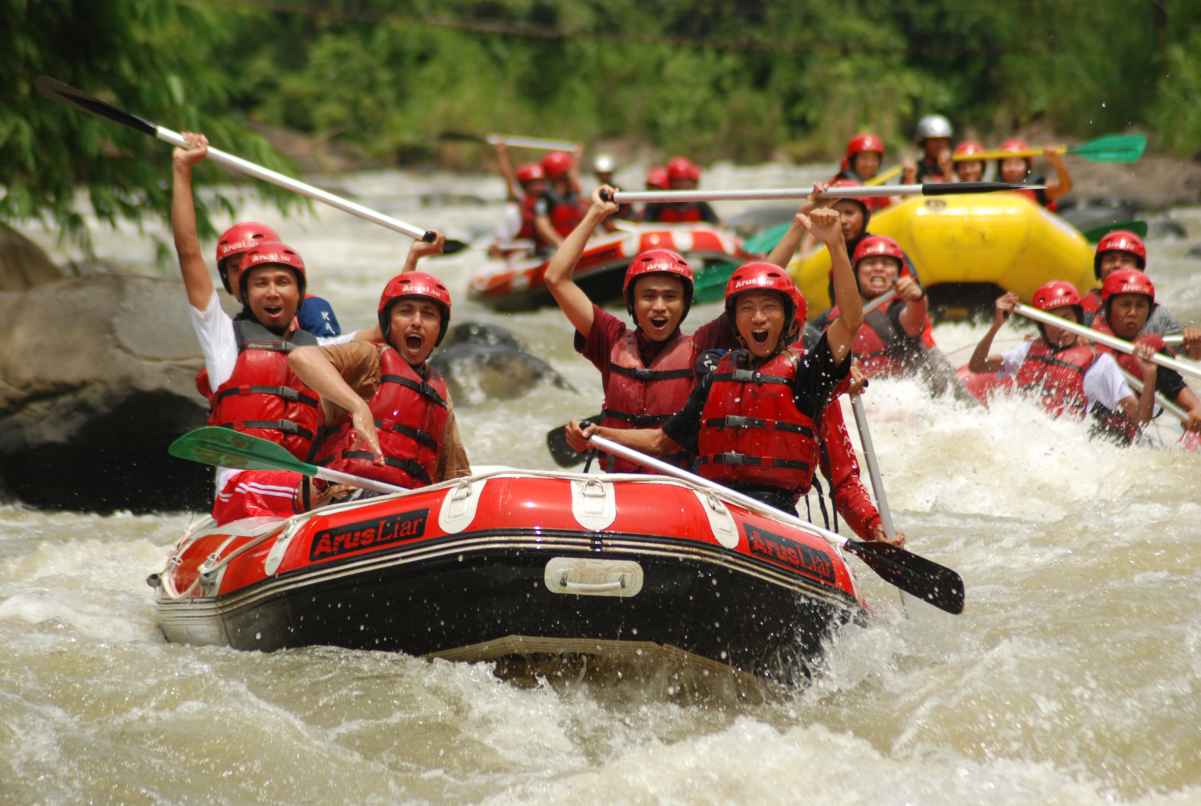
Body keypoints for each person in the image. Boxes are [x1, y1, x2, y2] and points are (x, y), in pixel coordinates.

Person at [566, 206, 863, 520]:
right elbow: (662, 441)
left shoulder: (808, 373)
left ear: (788, 321)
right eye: (748, 309)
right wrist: (600, 434)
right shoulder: (714, 375)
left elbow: (850, 320)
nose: (758, 317)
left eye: (768, 309)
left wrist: (835, 245)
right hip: (711, 507)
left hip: (773, 516)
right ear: (735, 323)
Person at [171, 132, 364, 524]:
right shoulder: (222, 338)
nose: (272, 293)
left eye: (282, 283)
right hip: (243, 486)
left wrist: (413, 264)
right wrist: (182, 170)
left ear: (299, 293)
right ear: (242, 291)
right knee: (330, 489)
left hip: (299, 482)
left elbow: (384, 335)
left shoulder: (318, 347)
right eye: (260, 283)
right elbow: (188, 250)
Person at [544, 187, 698, 473]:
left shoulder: (702, 348)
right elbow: (556, 278)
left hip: (677, 489)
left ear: (686, 304)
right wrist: (595, 214)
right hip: (617, 485)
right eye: (648, 296)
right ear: (632, 303)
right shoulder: (610, 338)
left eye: (670, 297)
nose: (659, 306)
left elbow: (753, 294)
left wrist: (804, 223)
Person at [288, 259, 471, 495]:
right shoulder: (369, 357)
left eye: (428, 315)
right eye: (405, 311)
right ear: (388, 323)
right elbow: (301, 357)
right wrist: (357, 407)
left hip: (406, 505)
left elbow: (456, 473)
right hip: (343, 495)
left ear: (439, 330)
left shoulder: (440, 393)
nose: (416, 321)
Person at [968, 281, 1157, 442]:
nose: (1062, 327)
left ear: (1077, 319)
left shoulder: (1101, 364)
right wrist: (996, 325)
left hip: (1070, 444)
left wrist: (1150, 376)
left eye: (1067, 318)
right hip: (1025, 437)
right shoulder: (1027, 350)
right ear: (1042, 325)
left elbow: (1141, 419)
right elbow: (977, 366)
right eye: (1053, 320)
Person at [1090, 269, 1201, 433]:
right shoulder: (1083, 331)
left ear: (1149, 312)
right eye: (1125, 304)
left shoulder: (1150, 352)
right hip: (1077, 422)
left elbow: (1179, 392)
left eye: (1140, 306)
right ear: (1108, 308)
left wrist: (1196, 410)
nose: (1133, 312)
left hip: (1122, 431)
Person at [213, 220, 342, 338]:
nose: (243, 273)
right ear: (226, 278)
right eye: (235, 268)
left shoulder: (312, 308)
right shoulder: (233, 321)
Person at [1080, 231, 1198, 354]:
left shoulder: (1158, 315)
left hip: (1142, 369)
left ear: (1138, 269)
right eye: (1110, 260)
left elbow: (1188, 355)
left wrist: (1194, 344)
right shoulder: (1081, 309)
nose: (1117, 265)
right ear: (1099, 267)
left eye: (1125, 260)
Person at [489, 142, 548, 256]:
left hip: (539, 253)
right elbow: (508, 178)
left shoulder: (545, 203)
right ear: (525, 185)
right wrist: (502, 153)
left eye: (541, 182)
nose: (540, 187)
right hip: (518, 257)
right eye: (535, 184)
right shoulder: (514, 210)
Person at [995, 138, 1072, 209]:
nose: (1012, 168)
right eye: (1007, 164)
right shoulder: (992, 190)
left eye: (1018, 163)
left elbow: (1065, 187)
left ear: (1027, 166)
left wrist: (1057, 163)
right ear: (1000, 167)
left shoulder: (1038, 188)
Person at [642, 156, 720, 224]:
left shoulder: (699, 204)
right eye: (676, 181)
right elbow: (644, 225)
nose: (681, 185)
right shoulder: (659, 203)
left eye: (685, 181)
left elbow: (716, 224)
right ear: (670, 181)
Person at [833, 133, 890, 211]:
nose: (869, 164)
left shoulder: (879, 185)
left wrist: (908, 178)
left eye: (874, 159)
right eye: (864, 158)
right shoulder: (839, 185)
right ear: (853, 161)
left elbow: (895, 205)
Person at [902, 115, 954, 183]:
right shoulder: (915, 169)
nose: (940, 145)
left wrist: (947, 172)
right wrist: (909, 177)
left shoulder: (957, 166)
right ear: (924, 142)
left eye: (943, 140)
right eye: (935, 140)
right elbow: (907, 192)